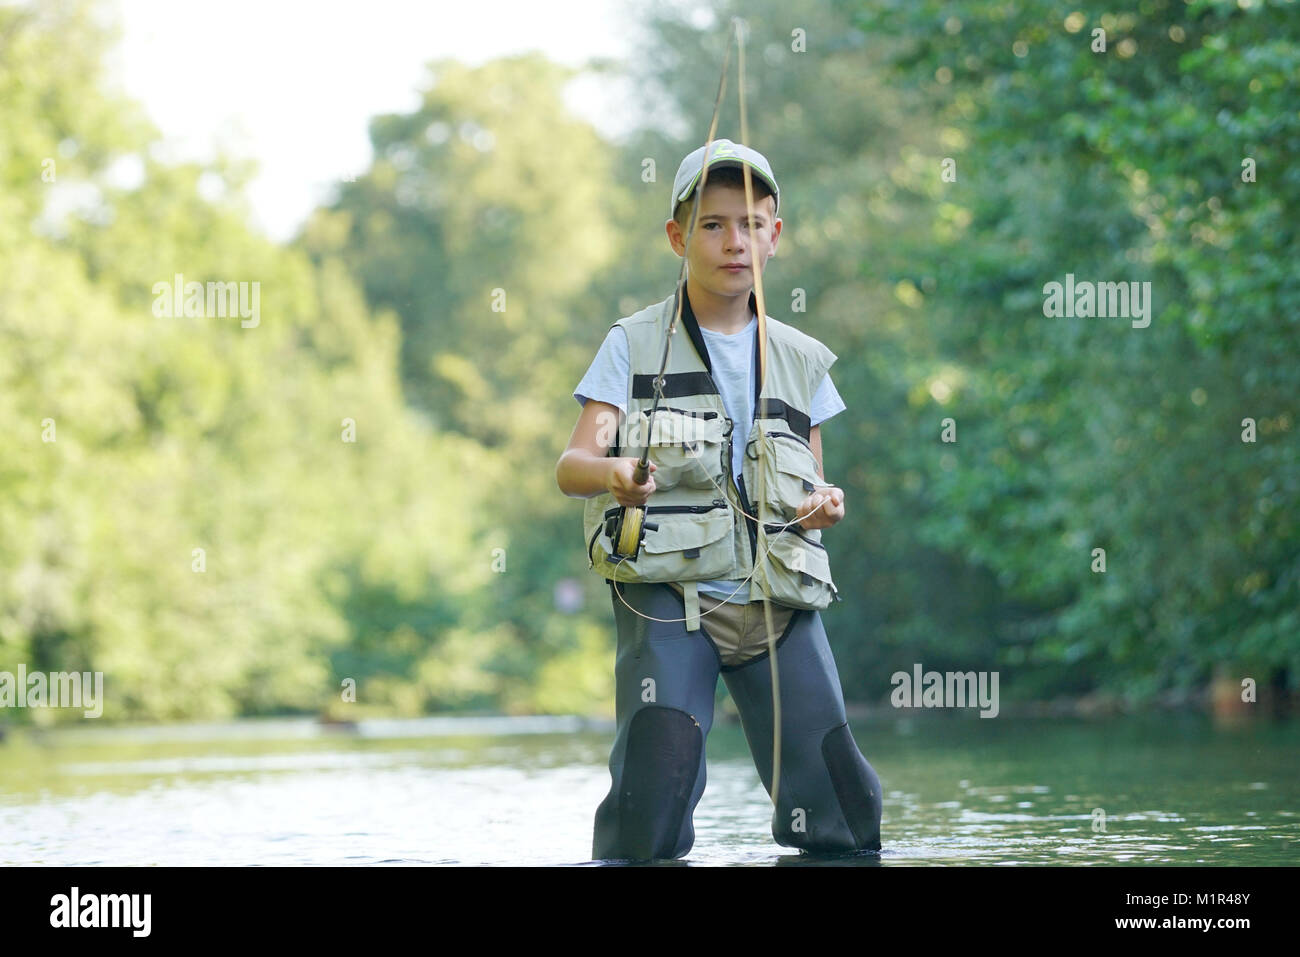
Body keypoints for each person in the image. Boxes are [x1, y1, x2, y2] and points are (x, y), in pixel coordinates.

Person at [555, 139, 882, 861]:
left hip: (780, 604)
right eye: (712, 224)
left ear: (775, 235)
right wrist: (615, 474)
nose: (735, 240)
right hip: (672, 602)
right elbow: (573, 462)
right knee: (652, 811)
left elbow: (810, 495)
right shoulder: (631, 345)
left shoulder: (803, 359)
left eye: (752, 223)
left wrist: (825, 506)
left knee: (845, 816)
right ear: (678, 237)